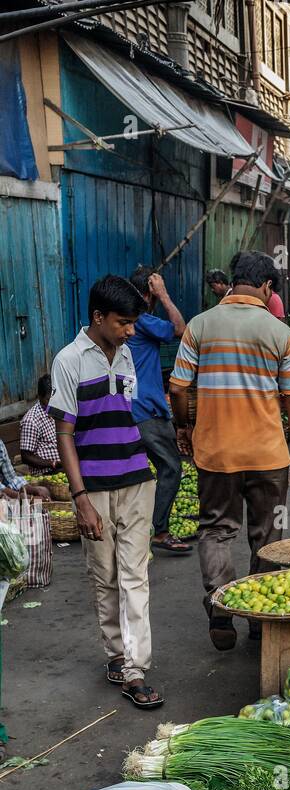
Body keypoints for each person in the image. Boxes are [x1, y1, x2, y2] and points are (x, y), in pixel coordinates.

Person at [168, 251, 290, 651]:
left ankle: (221, 607)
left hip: (216, 455)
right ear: (266, 287)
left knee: (216, 530)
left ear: (233, 281)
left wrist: (184, 425)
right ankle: (261, 621)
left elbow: (178, 388)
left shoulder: (199, 325)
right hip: (270, 458)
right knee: (270, 533)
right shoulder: (280, 332)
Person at [49, 274, 162, 708]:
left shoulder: (128, 353)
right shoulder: (70, 360)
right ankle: (116, 654)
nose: (130, 330)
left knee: (135, 575)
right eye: (123, 322)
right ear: (98, 317)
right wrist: (79, 499)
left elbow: (126, 414)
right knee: (106, 576)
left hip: (136, 479)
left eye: (133, 322)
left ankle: (134, 670)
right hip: (94, 488)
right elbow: (65, 433)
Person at [127, 266, 190, 557]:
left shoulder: (128, 320)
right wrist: (163, 295)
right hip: (146, 411)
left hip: (130, 408)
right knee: (171, 467)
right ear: (148, 293)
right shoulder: (140, 319)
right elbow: (180, 329)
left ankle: (135, 531)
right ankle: (160, 530)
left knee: (137, 474)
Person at [18, 375, 60, 474]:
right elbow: (26, 457)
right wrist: (53, 463)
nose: (52, 404)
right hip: (48, 472)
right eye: (48, 400)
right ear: (39, 396)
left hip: (64, 466)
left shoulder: (58, 411)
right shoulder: (31, 420)